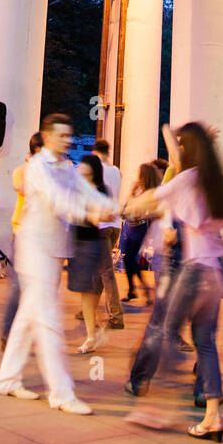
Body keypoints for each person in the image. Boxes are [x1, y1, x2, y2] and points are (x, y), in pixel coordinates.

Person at [0, 113, 115, 414]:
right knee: (48, 320)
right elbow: (57, 200)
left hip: (52, 249)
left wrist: (110, 208)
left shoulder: (67, 167)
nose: (67, 140)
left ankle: (8, 380)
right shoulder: (37, 168)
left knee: (27, 318)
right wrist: (89, 214)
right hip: (34, 248)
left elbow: (86, 192)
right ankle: (61, 394)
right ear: (47, 137)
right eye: (61, 136)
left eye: (69, 135)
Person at [122, 122, 223, 442]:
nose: (178, 150)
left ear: (189, 149)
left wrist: (125, 207)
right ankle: (212, 417)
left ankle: (157, 410)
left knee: (165, 333)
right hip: (216, 271)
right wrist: (172, 133)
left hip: (194, 271)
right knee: (205, 344)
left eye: (182, 146)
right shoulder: (218, 182)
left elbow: (149, 200)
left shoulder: (185, 180)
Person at [1, 132, 43, 348]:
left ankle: (28, 332)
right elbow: (22, 188)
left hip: (42, 237)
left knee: (38, 288)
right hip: (22, 232)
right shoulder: (21, 171)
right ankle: (7, 333)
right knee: (18, 286)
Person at [69, 153, 110, 352]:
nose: (80, 167)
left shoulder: (98, 190)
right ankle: (96, 329)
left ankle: (92, 336)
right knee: (86, 292)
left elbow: (96, 218)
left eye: (84, 165)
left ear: (92, 169)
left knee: (89, 292)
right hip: (78, 242)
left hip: (92, 243)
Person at [91, 139, 124, 330]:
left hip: (102, 222)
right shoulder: (116, 171)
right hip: (115, 223)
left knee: (105, 270)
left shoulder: (97, 170)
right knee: (100, 269)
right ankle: (89, 307)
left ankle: (116, 315)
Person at [120, 164, 160, 303]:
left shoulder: (153, 193)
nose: (138, 177)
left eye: (140, 174)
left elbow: (156, 211)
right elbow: (126, 208)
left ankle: (141, 289)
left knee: (130, 258)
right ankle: (133, 289)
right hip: (133, 227)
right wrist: (132, 192)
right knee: (128, 258)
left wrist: (145, 215)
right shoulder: (142, 192)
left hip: (141, 227)